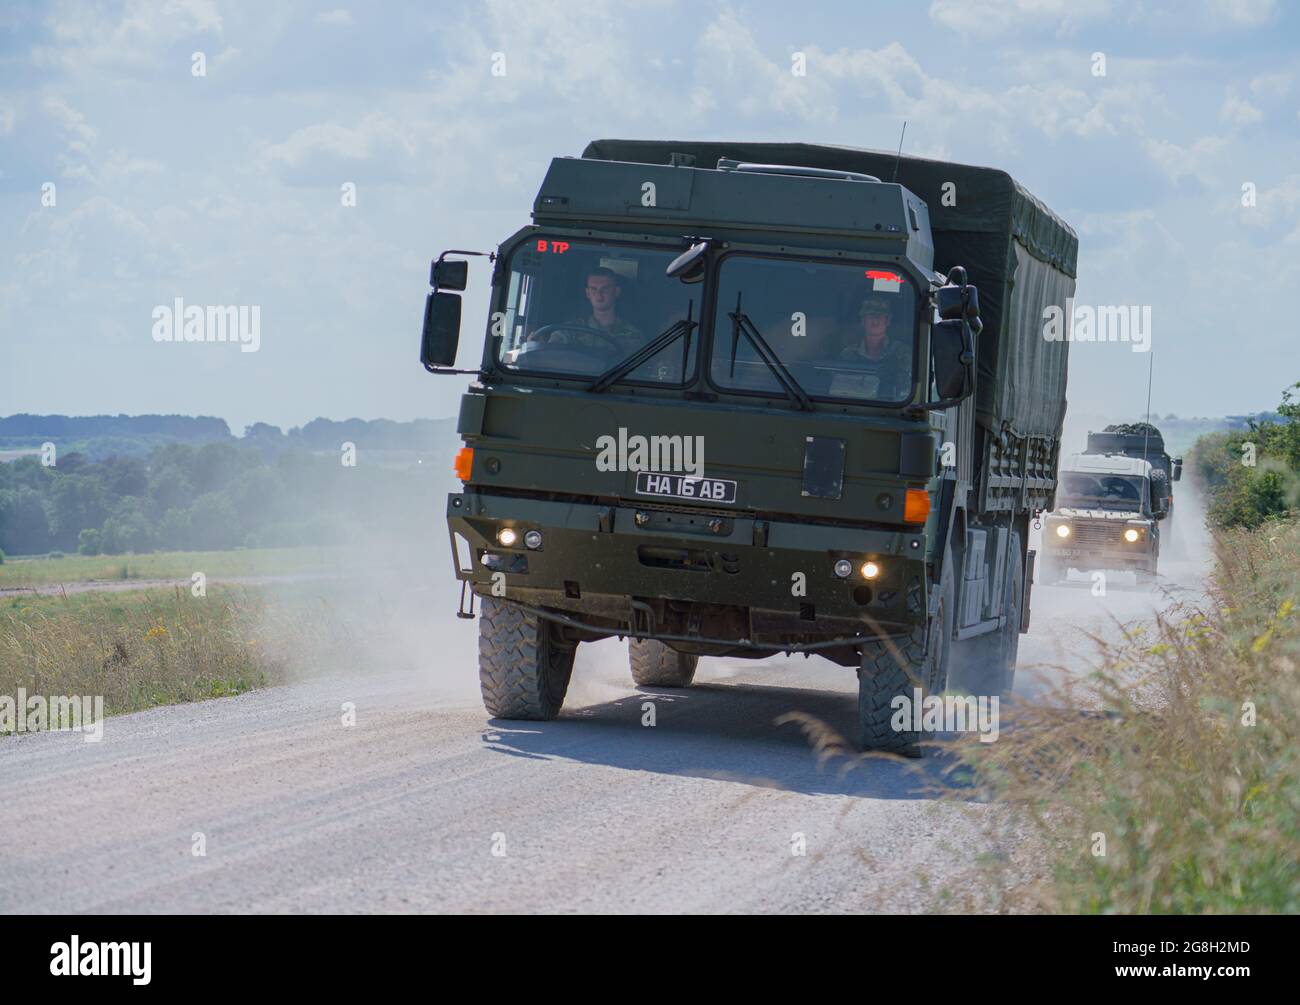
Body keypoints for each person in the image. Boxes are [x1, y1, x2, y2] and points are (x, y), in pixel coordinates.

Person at [530, 266, 643, 351]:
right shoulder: (568, 331)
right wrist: (540, 348)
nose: (599, 295)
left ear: (616, 291)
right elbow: (552, 359)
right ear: (587, 293)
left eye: (605, 288)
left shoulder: (633, 336)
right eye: (594, 289)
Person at [835, 293, 911, 399]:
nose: (875, 320)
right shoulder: (848, 354)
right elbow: (839, 389)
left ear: (888, 321)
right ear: (862, 321)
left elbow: (907, 390)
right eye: (870, 315)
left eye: (879, 316)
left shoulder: (902, 352)